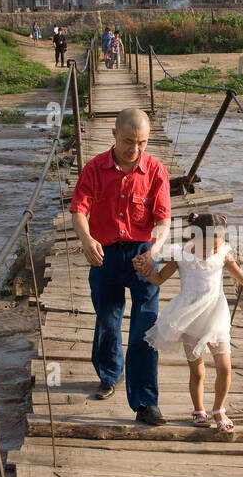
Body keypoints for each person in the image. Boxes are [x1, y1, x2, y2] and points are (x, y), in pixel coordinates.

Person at [142, 212, 243, 433]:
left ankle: (219, 409)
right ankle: (198, 410)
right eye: (207, 247)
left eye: (215, 246)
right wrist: (143, 271)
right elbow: (158, 279)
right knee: (198, 372)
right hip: (190, 318)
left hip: (216, 317)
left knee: (224, 368)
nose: (211, 251)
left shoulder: (222, 254)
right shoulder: (180, 254)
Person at [70, 107, 172, 425]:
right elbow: (78, 209)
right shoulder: (94, 169)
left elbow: (164, 219)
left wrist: (154, 251)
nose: (135, 149)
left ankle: (145, 401)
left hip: (142, 253)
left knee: (145, 326)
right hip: (105, 252)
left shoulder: (156, 171)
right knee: (108, 316)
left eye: (142, 142)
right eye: (129, 141)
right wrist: (86, 240)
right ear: (114, 135)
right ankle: (109, 373)